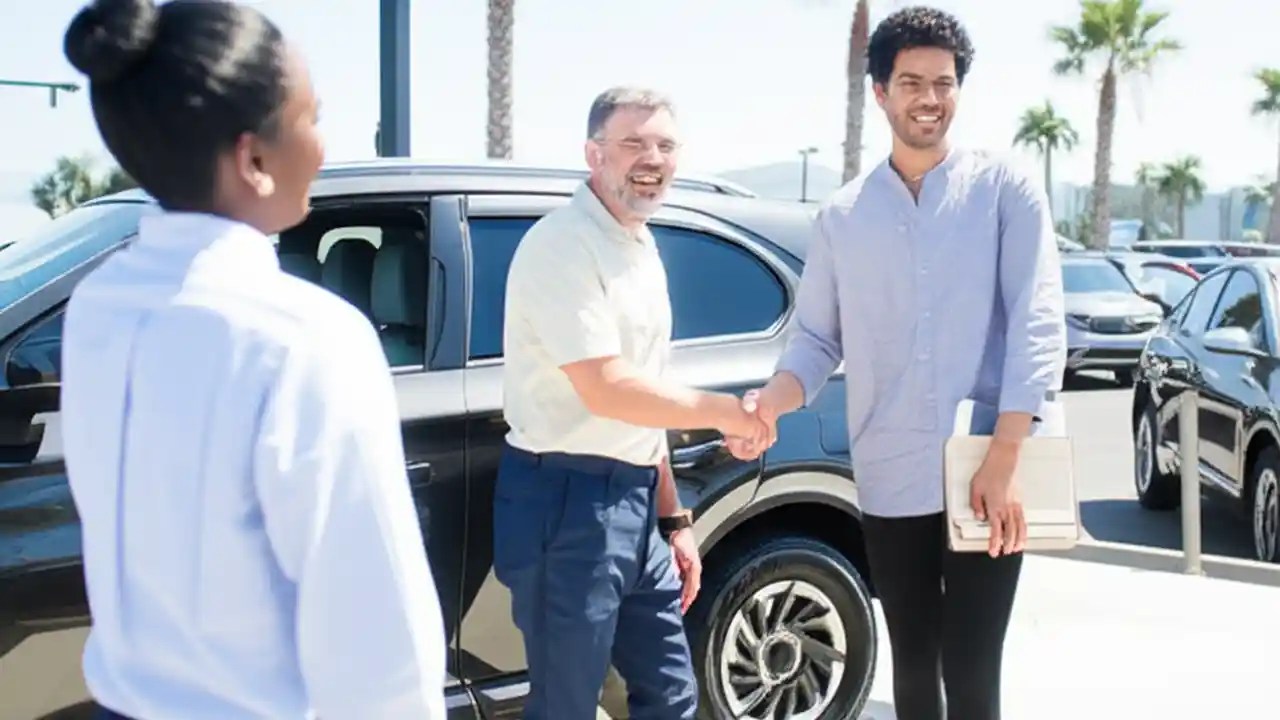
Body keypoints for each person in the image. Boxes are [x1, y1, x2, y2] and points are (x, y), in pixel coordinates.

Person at [58, 1, 446, 718]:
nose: (324, 145)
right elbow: (376, 642)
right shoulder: (306, 338)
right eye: (312, 117)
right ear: (253, 160)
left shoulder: (97, 306)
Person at [730, 6, 1066, 720]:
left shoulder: (1006, 190)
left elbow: (1037, 323)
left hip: (988, 467)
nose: (929, 98)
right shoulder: (842, 217)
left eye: (944, 83)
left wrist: (1006, 456)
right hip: (888, 469)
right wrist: (769, 404)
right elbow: (816, 340)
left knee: (972, 671)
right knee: (913, 668)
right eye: (912, 82)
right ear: (880, 92)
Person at [494, 86, 770, 720]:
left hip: (635, 502)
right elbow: (607, 388)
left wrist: (673, 519)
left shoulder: (640, 246)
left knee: (671, 695)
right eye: (633, 143)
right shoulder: (561, 244)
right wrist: (726, 413)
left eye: (665, 145)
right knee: (566, 706)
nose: (653, 158)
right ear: (594, 154)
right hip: (563, 502)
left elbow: (645, 396)